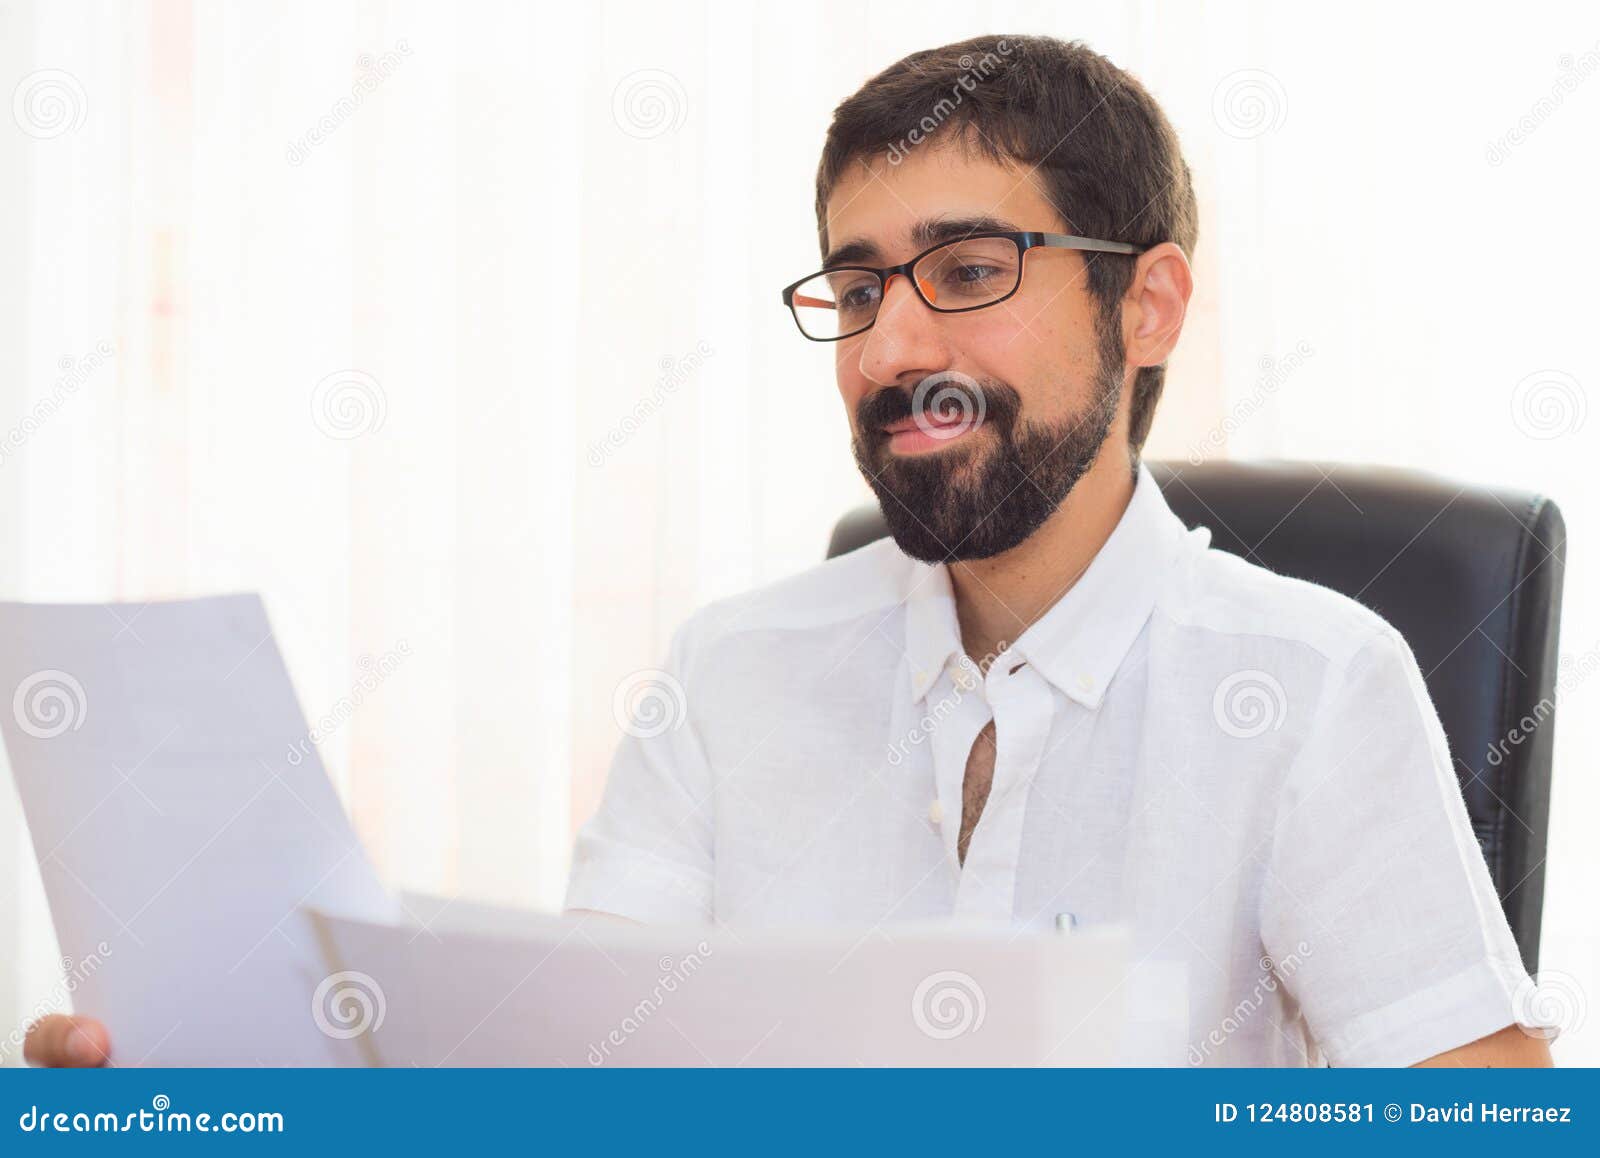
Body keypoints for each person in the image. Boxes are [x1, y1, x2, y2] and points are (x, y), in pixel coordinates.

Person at [30, 33, 1554, 1068]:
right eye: (859, 289)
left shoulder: (1313, 685)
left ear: (1147, 305)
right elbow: (580, 1080)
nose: (891, 348)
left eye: (968, 270)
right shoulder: (729, 672)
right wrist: (214, 1091)